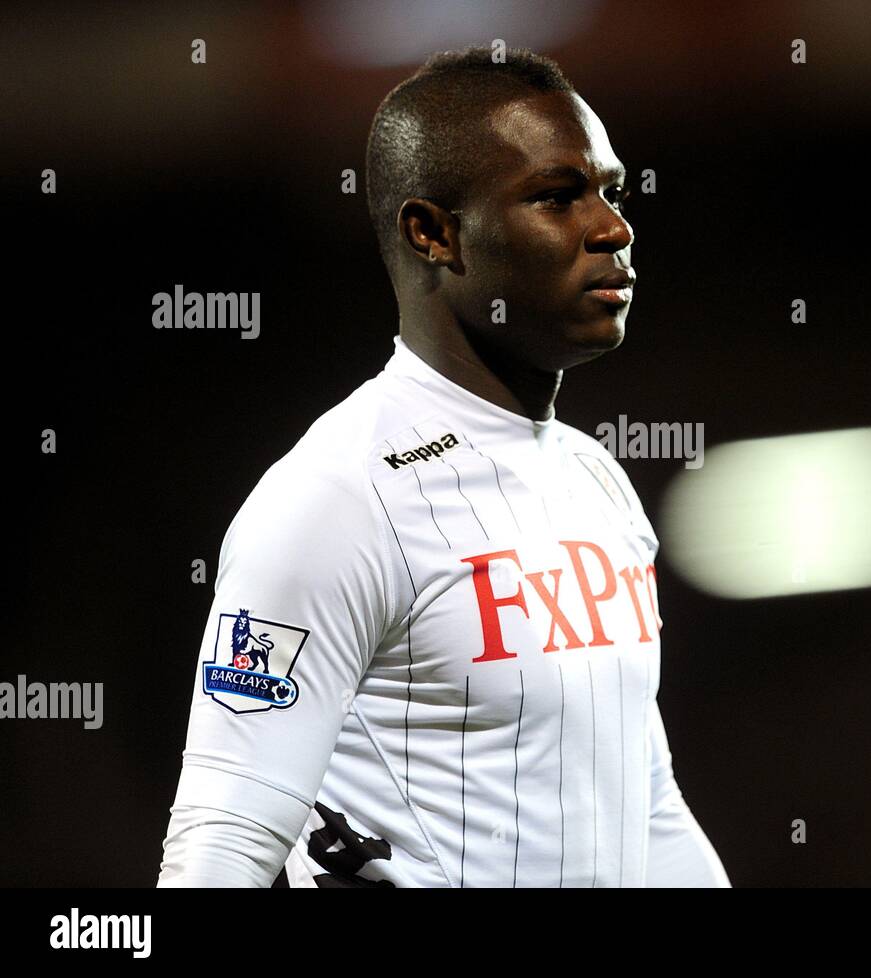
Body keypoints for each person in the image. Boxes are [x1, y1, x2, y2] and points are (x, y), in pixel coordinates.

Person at [156, 45, 730, 888]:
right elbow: (222, 841)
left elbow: (643, 803)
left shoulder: (596, 481)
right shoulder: (334, 502)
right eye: (558, 196)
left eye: (611, 191)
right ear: (433, 233)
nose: (612, 228)